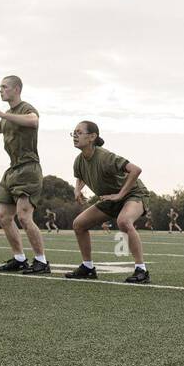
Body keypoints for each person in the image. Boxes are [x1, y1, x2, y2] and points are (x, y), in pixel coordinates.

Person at [0, 76, 48, 273]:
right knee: (3, 216)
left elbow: (33, 121)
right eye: (0, 87)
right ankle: (19, 259)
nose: (0, 90)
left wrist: (2, 115)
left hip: (28, 168)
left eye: (4, 87)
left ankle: (41, 261)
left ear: (16, 89)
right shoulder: (7, 115)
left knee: (24, 216)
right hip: (12, 170)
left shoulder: (26, 109)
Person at [65, 121, 150, 283]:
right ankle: (88, 267)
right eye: (73, 133)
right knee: (79, 224)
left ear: (92, 137)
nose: (75, 136)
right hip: (110, 198)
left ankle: (141, 270)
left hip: (133, 193)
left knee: (124, 221)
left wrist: (120, 195)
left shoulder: (105, 157)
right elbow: (80, 176)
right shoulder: (79, 160)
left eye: (79, 132)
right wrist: (77, 190)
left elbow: (136, 170)